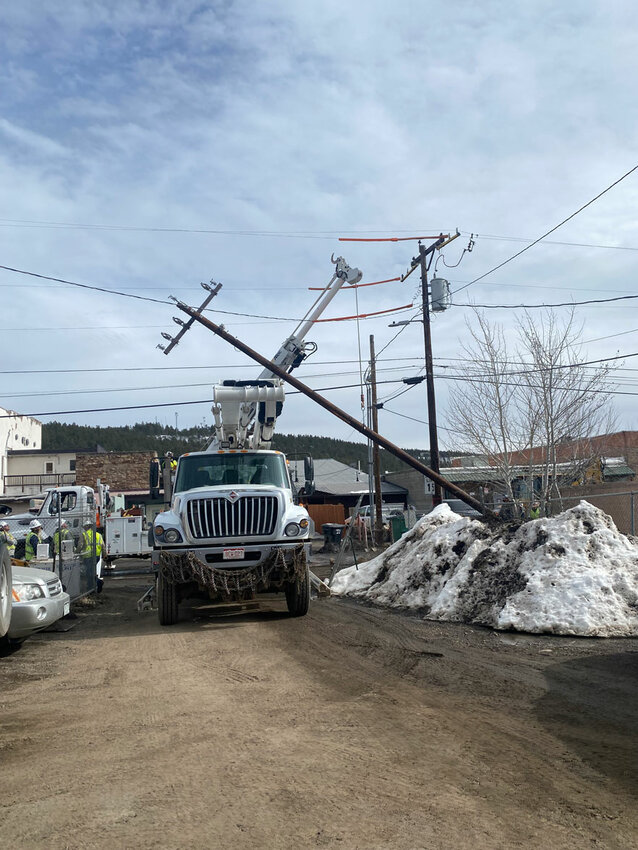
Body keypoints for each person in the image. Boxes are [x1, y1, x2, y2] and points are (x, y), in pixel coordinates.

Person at [79, 520, 105, 593]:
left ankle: (94, 585)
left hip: (88, 556)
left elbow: (80, 546)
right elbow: (103, 545)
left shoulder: (84, 535)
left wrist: (76, 553)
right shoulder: (98, 535)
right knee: (91, 572)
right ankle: (91, 587)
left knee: (89, 573)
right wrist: (104, 554)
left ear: (86, 527)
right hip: (96, 556)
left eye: (84, 527)